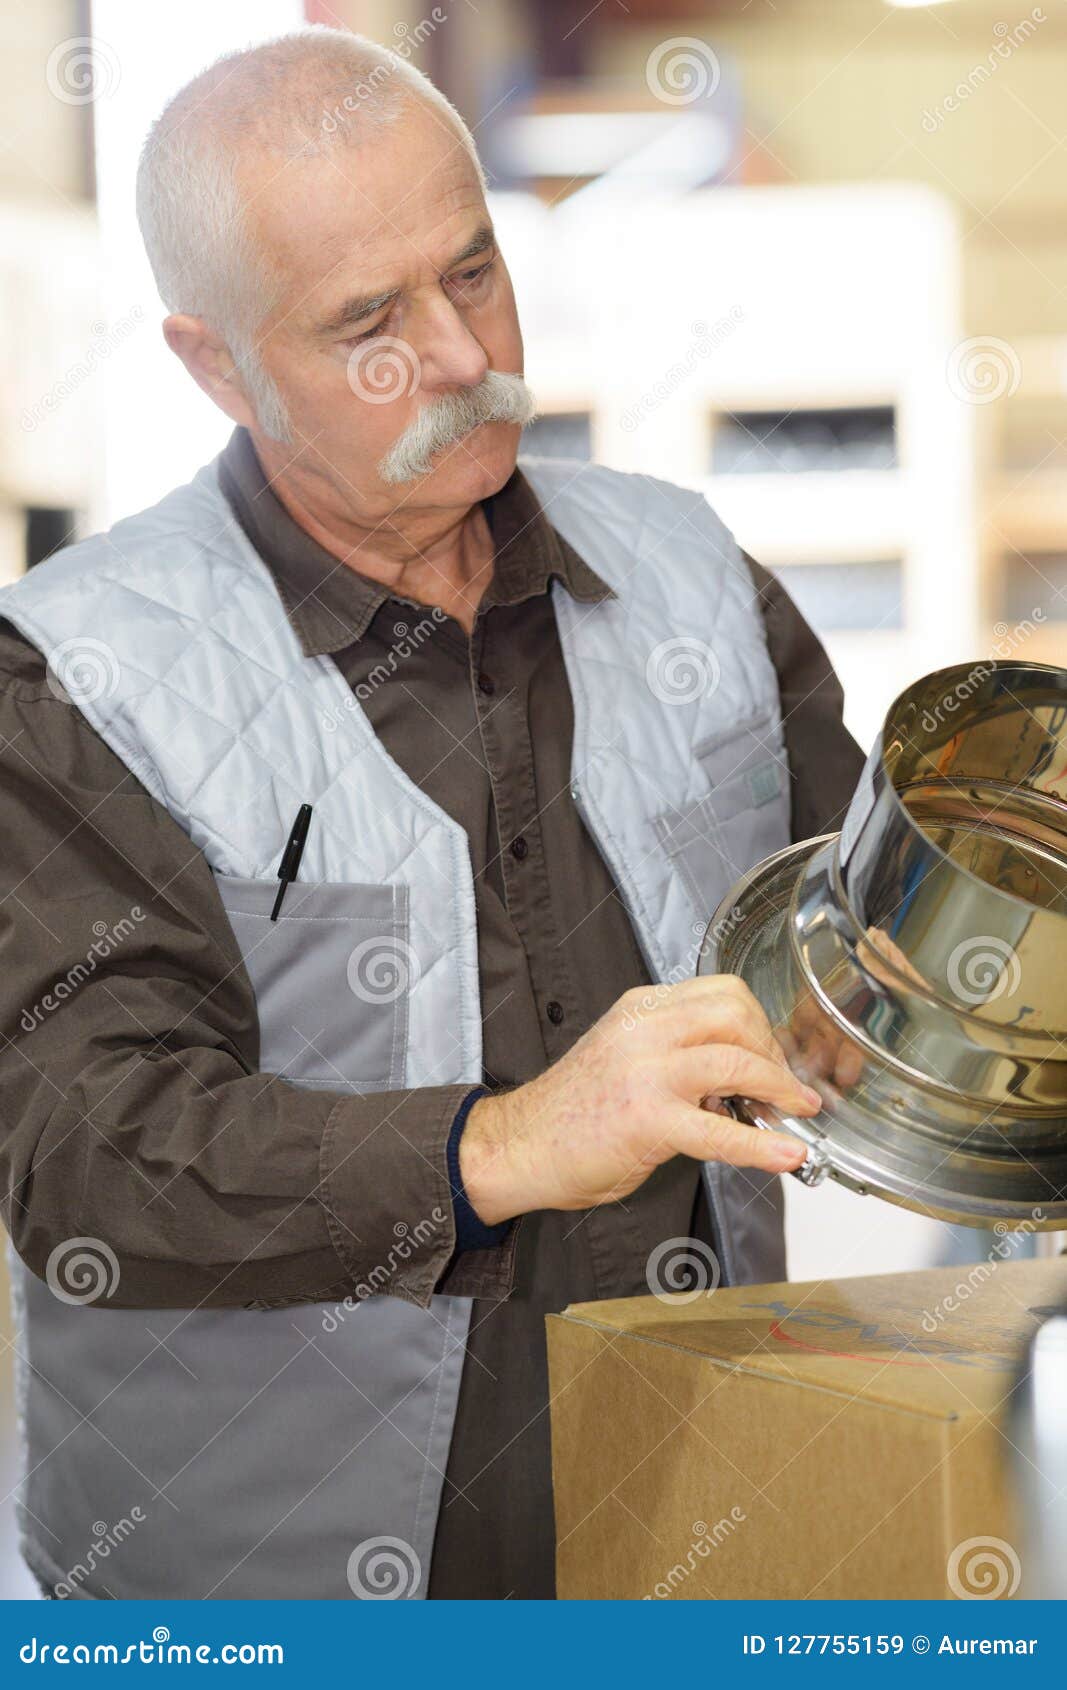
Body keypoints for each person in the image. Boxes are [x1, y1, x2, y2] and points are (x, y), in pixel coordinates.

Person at [0, 28, 864, 1601]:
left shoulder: (693, 576)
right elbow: (90, 1152)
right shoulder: (78, 675)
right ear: (216, 363)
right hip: (259, 1597)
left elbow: (859, 942)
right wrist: (508, 1140)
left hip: (690, 1544)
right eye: (368, 322)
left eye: (473, 273)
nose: (461, 357)